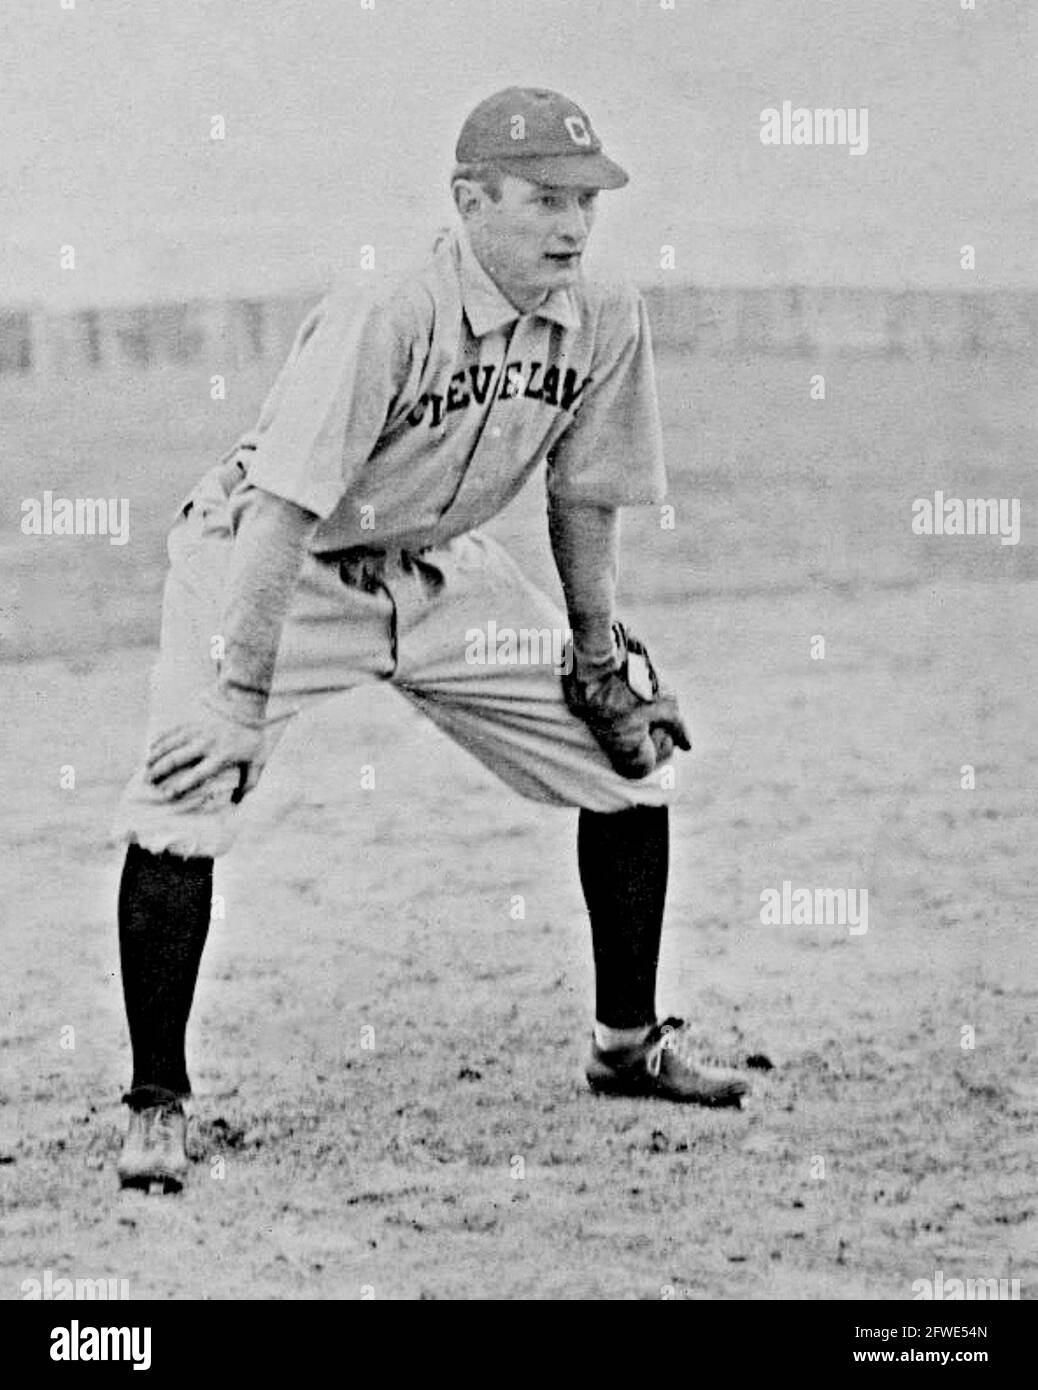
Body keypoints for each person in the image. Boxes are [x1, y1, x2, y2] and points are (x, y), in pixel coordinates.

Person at [113, 86, 750, 1194]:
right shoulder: (389, 311)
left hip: (438, 567)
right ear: (469, 200)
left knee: (625, 768)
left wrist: (596, 657)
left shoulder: (602, 314)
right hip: (275, 567)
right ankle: (158, 1102)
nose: (572, 226)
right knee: (187, 792)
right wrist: (236, 695)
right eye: (546, 199)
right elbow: (283, 507)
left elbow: (585, 496)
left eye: (585, 203)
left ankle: (626, 1044)